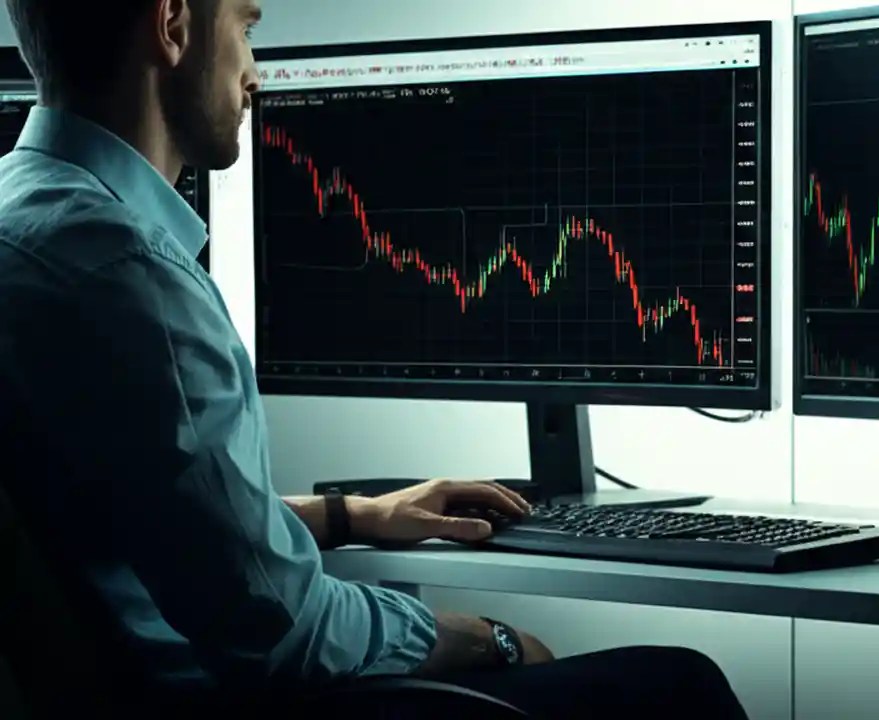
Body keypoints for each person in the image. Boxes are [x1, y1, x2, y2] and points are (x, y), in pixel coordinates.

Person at [0, 1, 750, 718]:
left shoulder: (24, 220)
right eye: (245, 27)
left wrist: (350, 515)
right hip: (225, 702)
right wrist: (486, 639)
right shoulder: (131, 276)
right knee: (681, 684)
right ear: (173, 25)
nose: (255, 72)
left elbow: (134, 515)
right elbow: (284, 632)